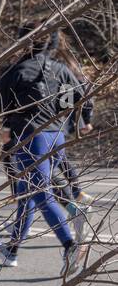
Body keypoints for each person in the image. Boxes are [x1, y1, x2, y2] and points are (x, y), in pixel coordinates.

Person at [0, 28, 85, 275]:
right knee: (27, 195)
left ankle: (70, 245)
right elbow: (79, 94)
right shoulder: (60, 69)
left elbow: (3, 103)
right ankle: (12, 249)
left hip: (31, 137)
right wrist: (68, 118)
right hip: (56, 137)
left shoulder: (16, 71)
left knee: (40, 193)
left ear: (23, 44)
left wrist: (8, 126)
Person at [51, 36, 95, 213]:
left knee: (49, 166)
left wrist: (62, 109)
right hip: (63, 117)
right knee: (60, 158)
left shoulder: (54, 64)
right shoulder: (70, 60)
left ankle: (74, 206)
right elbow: (84, 90)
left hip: (54, 118)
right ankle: (78, 194)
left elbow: (71, 93)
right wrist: (86, 118)